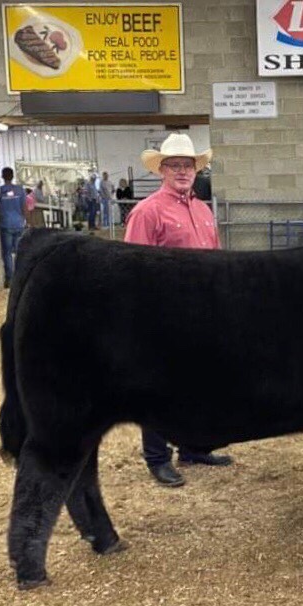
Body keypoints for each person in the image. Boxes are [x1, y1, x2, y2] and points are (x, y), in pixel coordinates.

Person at [123, 132, 234, 487]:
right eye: (175, 165)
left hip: (203, 312)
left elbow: (216, 260)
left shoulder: (203, 210)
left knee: (199, 382)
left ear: (196, 170)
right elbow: (133, 269)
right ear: (162, 170)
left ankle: (194, 447)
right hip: (164, 315)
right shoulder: (147, 212)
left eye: (188, 165)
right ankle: (157, 457)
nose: (183, 171)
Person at [0, 167, 27, 288]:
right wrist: (26, 221)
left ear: (3, 176)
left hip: (6, 225)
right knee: (19, 252)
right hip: (19, 224)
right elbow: (24, 207)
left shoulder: (0, 191)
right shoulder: (20, 190)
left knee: (7, 253)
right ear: (13, 176)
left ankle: (10, 279)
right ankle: (21, 277)